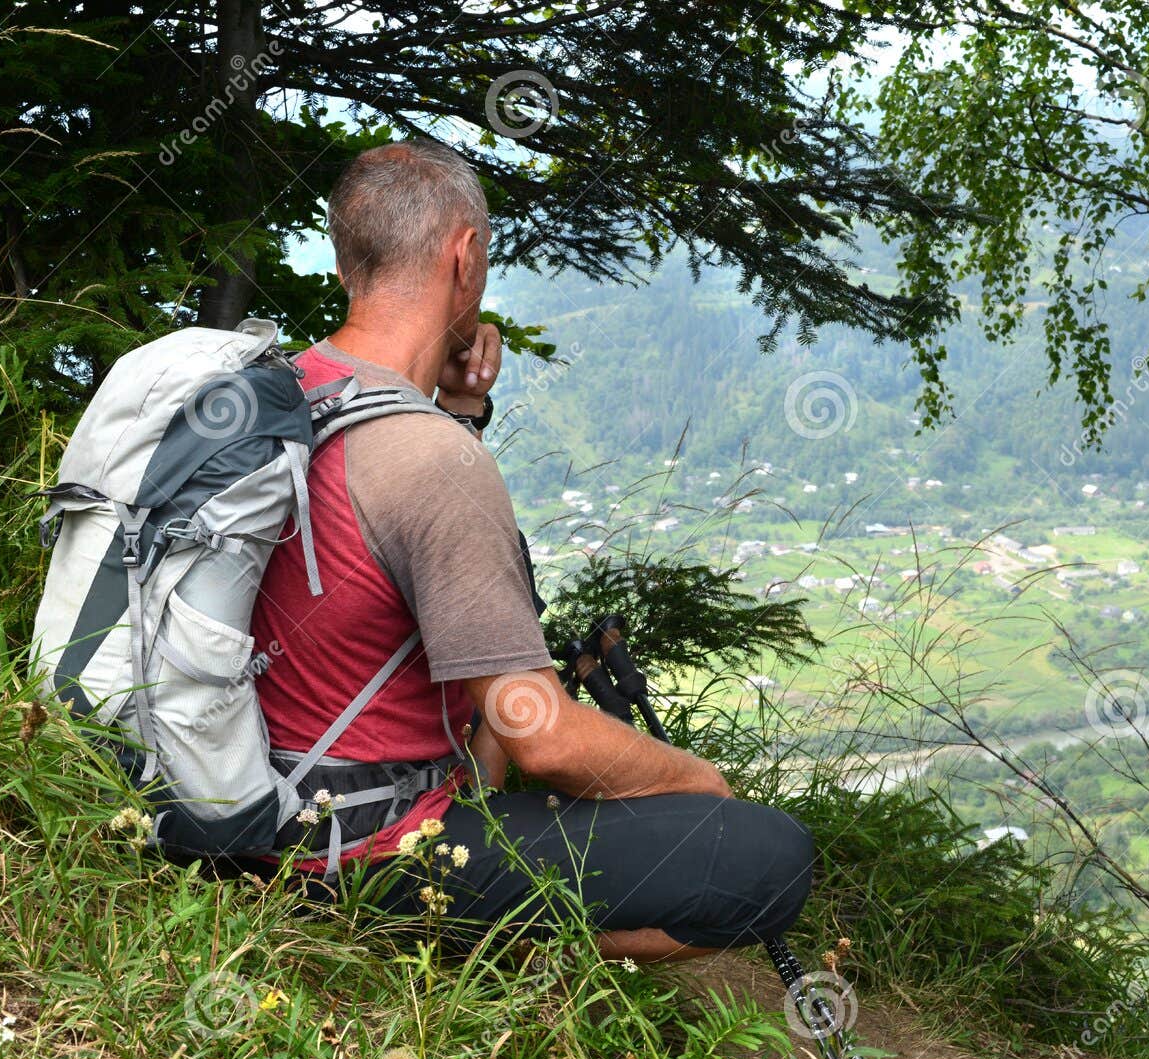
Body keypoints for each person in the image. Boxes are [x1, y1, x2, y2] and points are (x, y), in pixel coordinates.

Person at [249, 139, 814, 961]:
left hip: (258, 809)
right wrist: (696, 784)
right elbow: (538, 734)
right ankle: (477, 949)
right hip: (364, 854)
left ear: (346, 266)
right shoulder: (430, 459)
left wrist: (458, 411)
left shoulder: (293, 390)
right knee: (762, 858)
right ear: (465, 257)